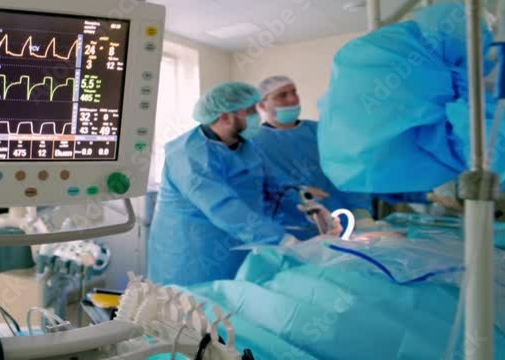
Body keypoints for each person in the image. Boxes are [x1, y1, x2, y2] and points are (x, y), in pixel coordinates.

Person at [147, 82, 307, 287]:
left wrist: (307, 204)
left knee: (232, 309)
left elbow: (275, 184)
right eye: (249, 111)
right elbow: (223, 207)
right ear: (224, 116)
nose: (256, 116)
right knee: (194, 312)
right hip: (193, 256)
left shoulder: (245, 146)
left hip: (238, 246)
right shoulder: (188, 155)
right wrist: (282, 240)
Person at [252, 75, 373, 239]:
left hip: (340, 221)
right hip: (290, 229)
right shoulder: (255, 143)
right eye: (282, 95)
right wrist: (296, 193)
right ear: (262, 105)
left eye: (294, 92)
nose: (292, 99)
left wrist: (361, 211)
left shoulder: (321, 132)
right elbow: (258, 189)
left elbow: (348, 169)